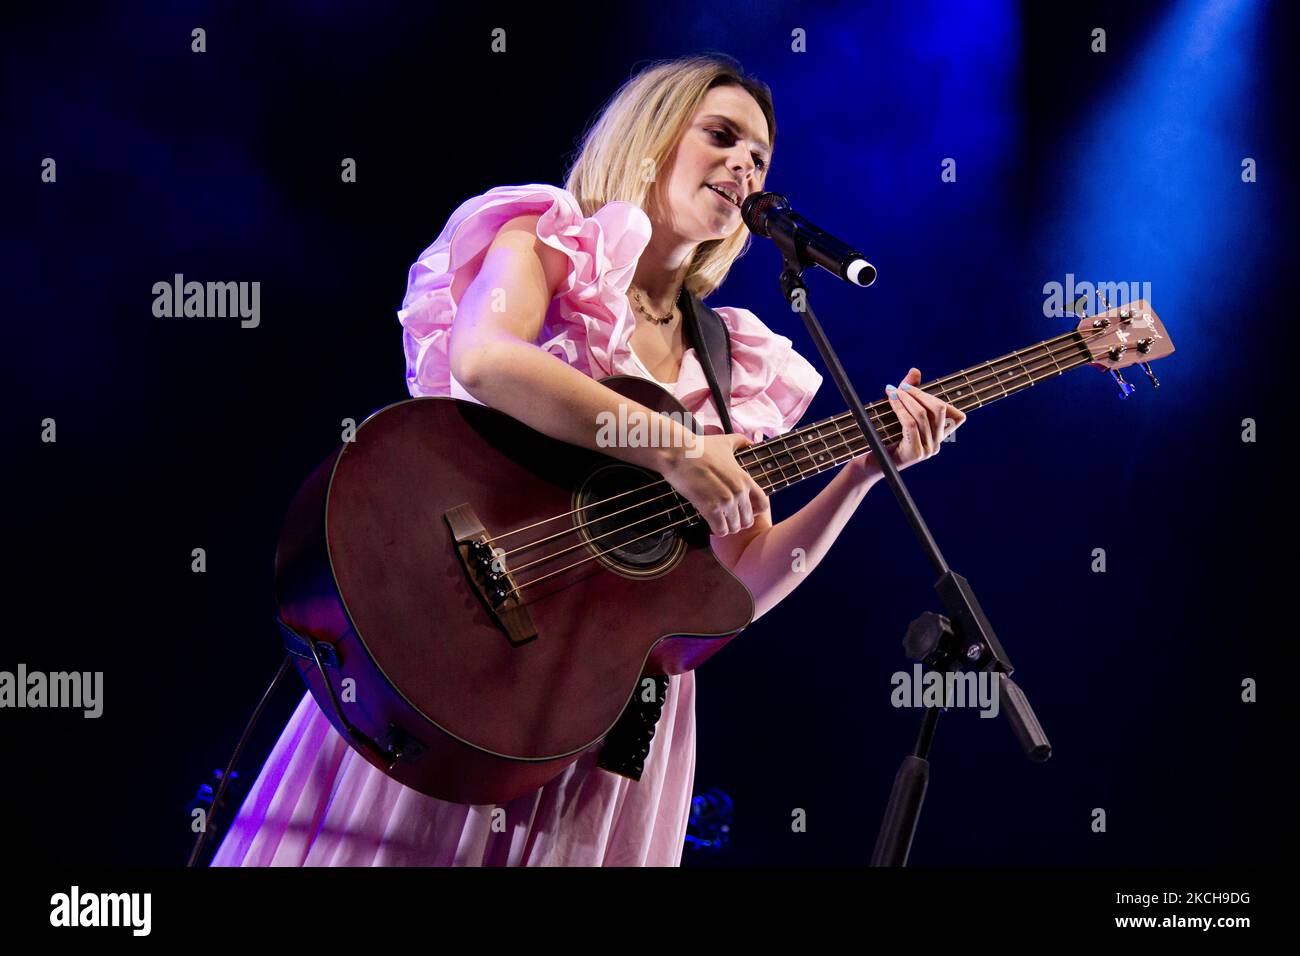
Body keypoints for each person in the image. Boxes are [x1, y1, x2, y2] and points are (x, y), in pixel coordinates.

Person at [209, 53, 966, 867]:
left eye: (761, 157)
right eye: (722, 135)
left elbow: (738, 580)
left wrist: (861, 471)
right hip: (455, 654)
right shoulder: (550, 242)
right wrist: (669, 446)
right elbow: (487, 359)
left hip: (603, 714)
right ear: (653, 136)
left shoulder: (735, 362)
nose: (745, 164)